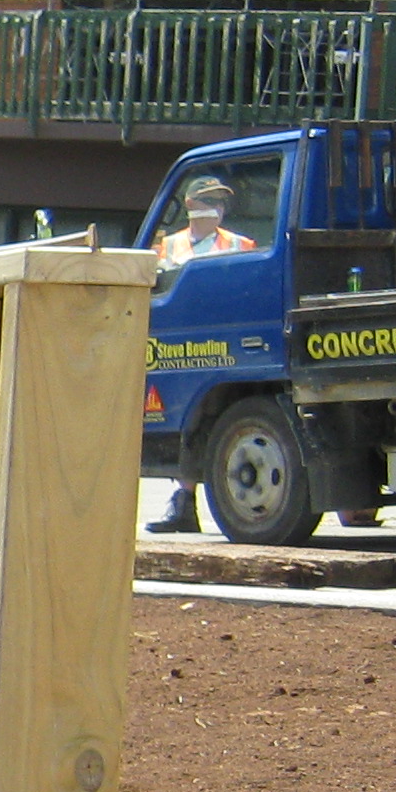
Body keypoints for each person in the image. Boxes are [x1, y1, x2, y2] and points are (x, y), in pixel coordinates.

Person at [147, 177, 257, 534]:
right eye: (209, 201)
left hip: (221, 345)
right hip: (177, 347)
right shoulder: (167, 246)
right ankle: (182, 503)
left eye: (221, 203)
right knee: (182, 422)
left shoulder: (240, 244)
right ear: (192, 205)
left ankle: (185, 502)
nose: (217, 209)